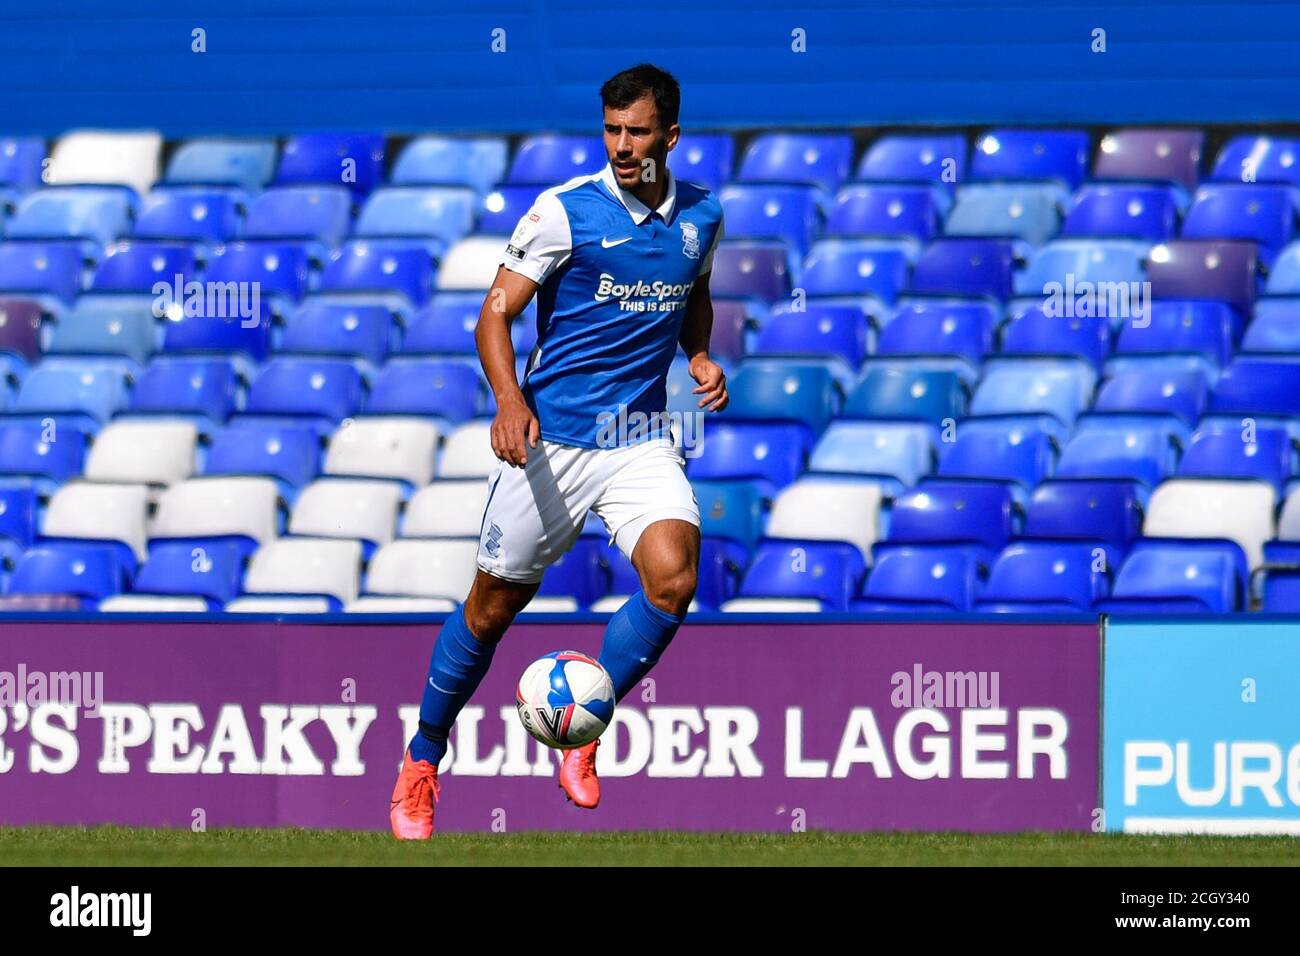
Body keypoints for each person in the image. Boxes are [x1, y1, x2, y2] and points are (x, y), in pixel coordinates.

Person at [390, 63, 727, 839]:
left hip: (636, 439)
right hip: (551, 441)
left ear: (669, 137)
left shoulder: (702, 216)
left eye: (635, 132)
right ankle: (421, 760)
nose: (620, 145)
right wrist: (510, 402)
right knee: (490, 610)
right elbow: (493, 315)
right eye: (610, 129)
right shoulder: (563, 213)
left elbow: (693, 296)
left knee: (673, 582)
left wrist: (700, 357)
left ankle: (582, 723)